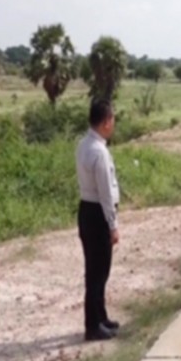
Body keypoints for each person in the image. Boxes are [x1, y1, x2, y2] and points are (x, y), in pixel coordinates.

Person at [75, 100, 121, 341]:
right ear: (105, 122)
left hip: (86, 211)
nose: (113, 124)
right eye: (112, 119)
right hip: (98, 215)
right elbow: (105, 195)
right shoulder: (99, 152)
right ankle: (92, 326)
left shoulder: (84, 144)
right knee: (98, 272)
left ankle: (100, 317)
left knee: (95, 270)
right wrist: (113, 225)